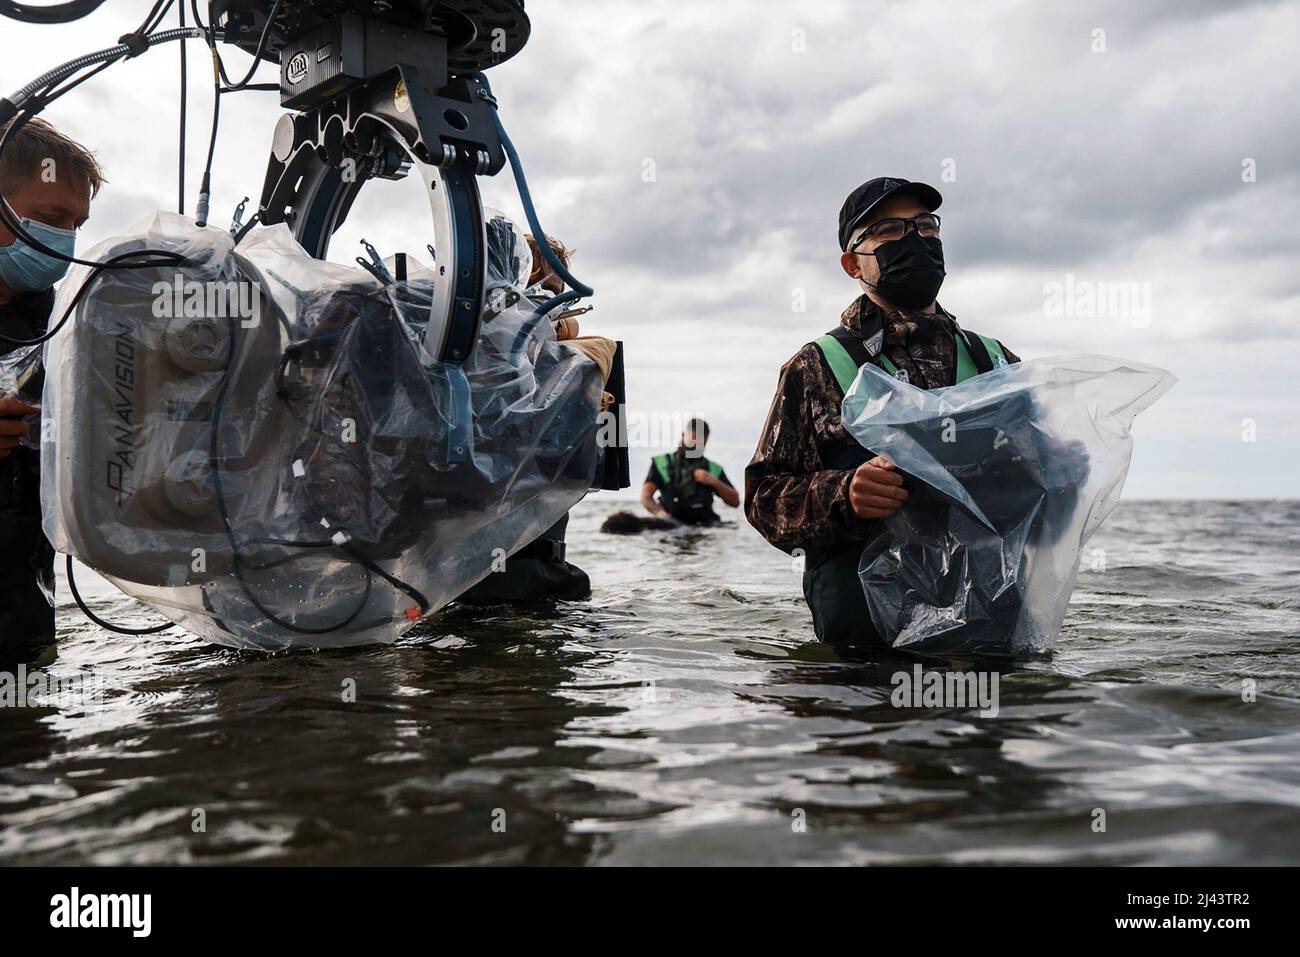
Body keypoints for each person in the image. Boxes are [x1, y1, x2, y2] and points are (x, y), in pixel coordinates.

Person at [744, 176, 1020, 646]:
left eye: (926, 227)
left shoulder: (995, 361)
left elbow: (1050, 483)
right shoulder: (817, 365)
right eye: (890, 230)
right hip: (866, 654)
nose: (915, 240)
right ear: (853, 263)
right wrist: (845, 493)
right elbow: (763, 500)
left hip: (989, 635)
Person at [0, 117, 100, 663]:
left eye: (75, 223)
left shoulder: (54, 321)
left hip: (24, 630)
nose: (64, 240)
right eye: (49, 217)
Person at [642, 418, 739, 525]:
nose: (696, 445)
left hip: (705, 528)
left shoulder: (713, 468)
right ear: (683, 436)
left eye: (701, 442)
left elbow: (735, 501)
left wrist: (714, 481)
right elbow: (645, 497)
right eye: (693, 439)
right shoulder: (662, 463)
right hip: (672, 527)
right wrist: (660, 514)